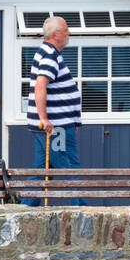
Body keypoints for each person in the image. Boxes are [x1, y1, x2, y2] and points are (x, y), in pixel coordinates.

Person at [27, 15, 83, 206]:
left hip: (58, 125)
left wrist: (73, 120)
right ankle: (81, 211)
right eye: (66, 30)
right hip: (55, 128)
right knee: (67, 166)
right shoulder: (50, 55)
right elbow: (40, 86)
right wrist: (44, 118)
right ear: (56, 33)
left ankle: (25, 209)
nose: (69, 33)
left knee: (42, 169)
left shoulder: (48, 53)